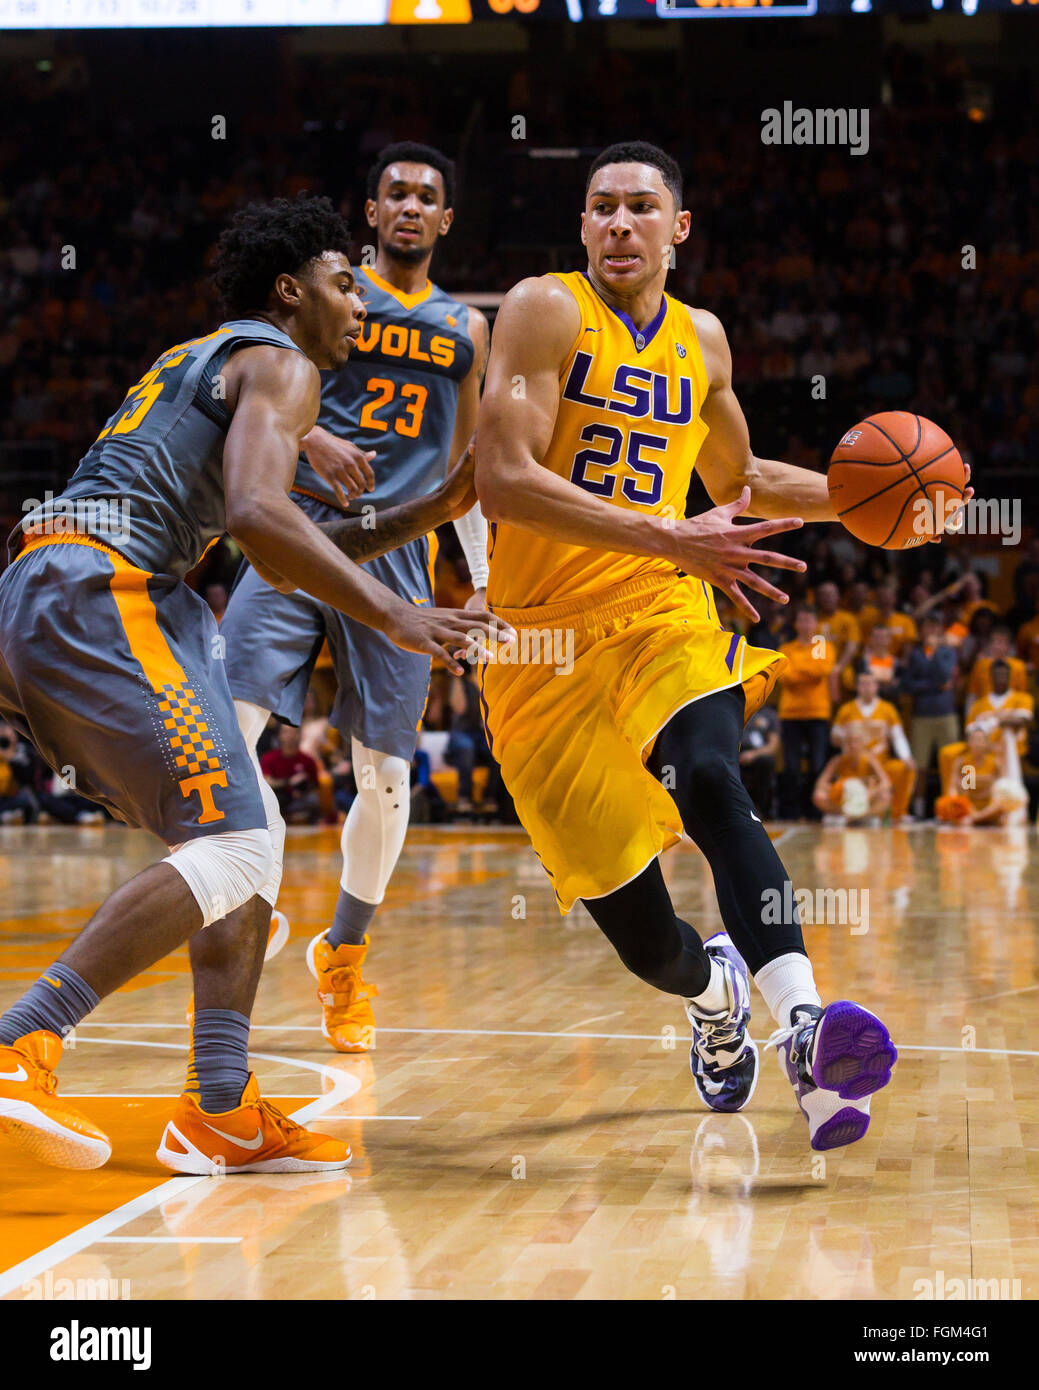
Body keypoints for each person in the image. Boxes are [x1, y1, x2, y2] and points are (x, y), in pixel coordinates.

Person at [0, 194, 497, 1175]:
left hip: (46, 591)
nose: (359, 302)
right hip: (103, 589)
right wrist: (397, 613)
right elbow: (259, 518)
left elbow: (305, 534)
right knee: (231, 838)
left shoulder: (208, 357)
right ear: (290, 289)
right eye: (342, 281)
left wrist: (439, 502)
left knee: (251, 834)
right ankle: (22, 1042)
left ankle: (218, 1107)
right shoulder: (284, 364)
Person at [474, 141, 921, 1152]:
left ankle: (804, 1031)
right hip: (537, 653)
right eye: (600, 209)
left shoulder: (703, 339)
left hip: (656, 606)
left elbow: (741, 479)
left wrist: (876, 502)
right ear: (581, 228)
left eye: (640, 207)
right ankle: (713, 989)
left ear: (680, 230)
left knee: (713, 777)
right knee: (649, 945)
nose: (618, 225)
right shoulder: (544, 310)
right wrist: (674, 530)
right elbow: (502, 478)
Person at [219, 144, 490, 1054]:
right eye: (395, 195)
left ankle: (342, 953)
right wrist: (316, 440)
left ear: (445, 221)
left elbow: (466, 468)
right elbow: (247, 382)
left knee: (385, 777)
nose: (410, 207)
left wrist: (481, 582)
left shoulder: (465, 327)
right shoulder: (325, 292)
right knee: (233, 731)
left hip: (404, 551)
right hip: (297, 528)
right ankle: (230, 917)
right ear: (369, 213)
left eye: (427, 197)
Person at [777, 605, 837, 820]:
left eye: (809, 620)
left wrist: (799, 671)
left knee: (817, 764)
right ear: (796, 624)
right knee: (791, 766)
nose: (805, 625)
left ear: (815, 624)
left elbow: (821, 670)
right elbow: (785, 676)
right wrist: (807, 672)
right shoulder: (786, 648)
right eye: (801, 620)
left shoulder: (820, 644)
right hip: (790, 713)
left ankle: (815, 812)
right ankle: (791, 813)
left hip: (817, 712)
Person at [832, 670, 915, 823]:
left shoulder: (887, 709)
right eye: (863, 684)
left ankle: (898, 813)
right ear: (857, 687)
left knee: (904, 768)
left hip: (881, 764)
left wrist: (906, 756)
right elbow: (835, 737)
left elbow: (897, 736)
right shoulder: (846, 710)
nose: (866, 687)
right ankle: (848, 812)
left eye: (870, 683)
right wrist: (850, 740)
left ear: (876, 686)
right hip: (856, 765)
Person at [903, 612, 959, 816]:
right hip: (922, 716)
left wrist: (934, 651)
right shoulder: (915, 654)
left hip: (946, 715)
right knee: (920, 766)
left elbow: (944, 674)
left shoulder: (948, 652)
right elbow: (908, 685)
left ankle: (952, 806)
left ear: (941, 630)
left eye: (936, 627)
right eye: (928, 627)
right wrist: (935, 686)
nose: (932, 631)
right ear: (922, 631)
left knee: (951, 764)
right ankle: (918, 810)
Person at [812, 726, 892, 826]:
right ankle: (848, 816)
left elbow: (886, 782)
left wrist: (869, 793)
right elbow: (821, 783)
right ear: (844, 744)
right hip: (843, 800)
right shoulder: (837, 760)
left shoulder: (870, 760)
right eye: (849, 742)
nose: (853, 745)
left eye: (856, 741)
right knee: (819, 795)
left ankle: (861, 816)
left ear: (863, 743)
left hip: (865, 799)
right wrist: (834, 790)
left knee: (885, 796)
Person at [261, 724, 321, 825]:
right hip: (278, 799)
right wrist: (289, 782)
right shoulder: (268, 758)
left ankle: (294, 818)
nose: (290, 735)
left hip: (300, 800)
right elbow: (266, 782)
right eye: (286, 732)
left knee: (313, 800)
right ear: (279, 735)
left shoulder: (308, 760)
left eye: (294, 732)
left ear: (300, 735)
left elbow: (315, 786)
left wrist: (303, 788)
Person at [739, 701, 780, 820]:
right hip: (735, 752)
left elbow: (773, 746)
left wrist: (753, 755)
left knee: (766, 763)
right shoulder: (737, 709)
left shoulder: (769, 714)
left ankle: (765, 811)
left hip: (758, 754)